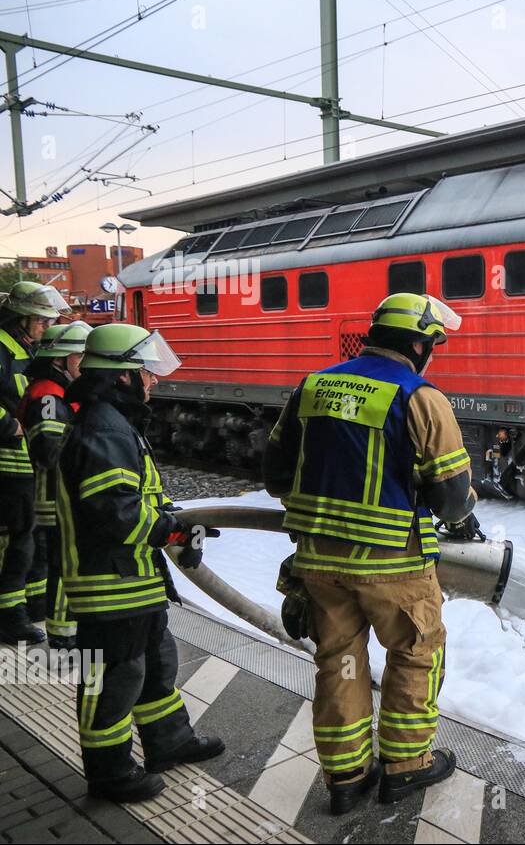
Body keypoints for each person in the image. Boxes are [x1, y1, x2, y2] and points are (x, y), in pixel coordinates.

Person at [262, 293, 478, 814]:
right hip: (393, 570)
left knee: (341, 661)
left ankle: (345, 777)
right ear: (418, 343)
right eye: (432, 344)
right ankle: (405, 769)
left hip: (317, 565)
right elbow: (450, 498)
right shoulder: (422, 397)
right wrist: (459, 506)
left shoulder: (312, 387)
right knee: (414, 655)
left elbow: (274, 475)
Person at [58, 323, 224, 803]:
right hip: (108, 583)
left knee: (155, 663)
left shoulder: (112, 420)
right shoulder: (105, 427)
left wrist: (175, 520)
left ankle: (168, 741)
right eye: (144, 373)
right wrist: (170, 530)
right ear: (121, 376)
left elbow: (137, 499)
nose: (153, 382)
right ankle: (109, 773)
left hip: (132, 579)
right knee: (114, 675)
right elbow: (114, 512)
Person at [0, 281, 71, 644]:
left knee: (29, 540)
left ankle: (31, 604)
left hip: (23, 465)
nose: (46, 326)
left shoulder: (25, 349)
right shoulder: (2, 348)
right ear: (22, 317)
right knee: (15, 541)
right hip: (6, 463)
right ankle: (9, 617)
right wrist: (6, 424)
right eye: (40, 320)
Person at [18, 321, 92, 649]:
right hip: (53, 501)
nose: (86, 364)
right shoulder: (48, 395)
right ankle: (64, 637)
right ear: (60, 360)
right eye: (80, 357)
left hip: (53, 498)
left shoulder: (55, 390)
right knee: (63, 569)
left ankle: (53, 621)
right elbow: (48, 449)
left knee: (52, 566)